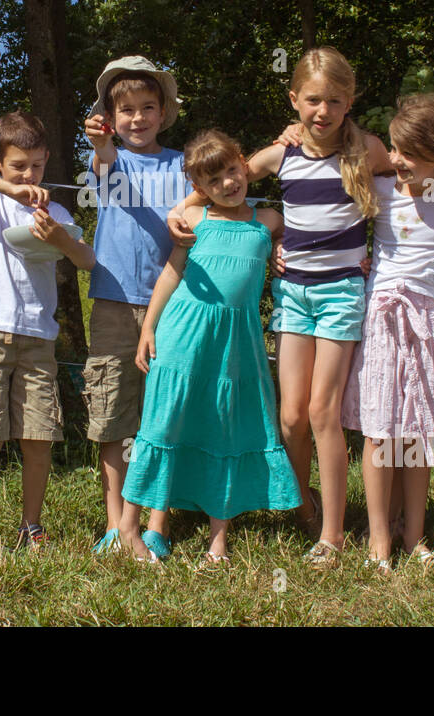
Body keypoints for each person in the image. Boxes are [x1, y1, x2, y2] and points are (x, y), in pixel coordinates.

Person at [172, 47, 392, 568]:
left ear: (350, 101)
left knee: (322, 412)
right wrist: (177, 214)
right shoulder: (280, 155)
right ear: (294, 100)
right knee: (291, 417)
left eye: (335, 101)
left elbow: (419, 167)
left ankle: (332, 535)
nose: (323, 111)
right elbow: (221, 181)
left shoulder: (367, 151)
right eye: (313, 100)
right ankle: (305, 506)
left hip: (341, 293)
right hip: (292, 295)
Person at [120, 130, 301, 567]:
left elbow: (303, 235)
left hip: (237, 340)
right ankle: (131, 527)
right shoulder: (194, 219)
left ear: (244, 164)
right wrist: (149, 328)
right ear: (200, 187)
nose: (227, 183)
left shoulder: (268, 220)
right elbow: (170, 274)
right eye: (213, 180)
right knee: (164, 422)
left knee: (227, 425)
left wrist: (279, 247)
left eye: (232, 171)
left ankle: (219, 537)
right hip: (183, 332)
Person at [0, 112, 96, 554]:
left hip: (37, 335)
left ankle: (31, 525)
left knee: (39, 436)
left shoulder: (57, 212)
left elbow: (86, 261)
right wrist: (9, 188)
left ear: (47, 160)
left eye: (35, 165)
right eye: (17, 165)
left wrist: (61, 239)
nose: (28, 174)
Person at [342, 94, 434, 574]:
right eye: (395, 149)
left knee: (418, 434)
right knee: (381, 434)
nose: (397, 160)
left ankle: (414, 535)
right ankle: (379, 541)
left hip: (433, 318)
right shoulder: (381, 189)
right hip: (384, 318)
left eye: (408, 154)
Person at [80, 56, 190, 559]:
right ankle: (113, 523)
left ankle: (156, 524)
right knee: (113, 414)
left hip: (173, 303)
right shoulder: (109, 160)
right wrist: (101, 144)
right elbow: (102, 163)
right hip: (113, 300)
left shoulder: (184, 164)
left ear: (164, 112)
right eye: (126, 110)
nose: (138, 118)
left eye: (148, 107)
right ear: (109, 115)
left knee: (162, 415)